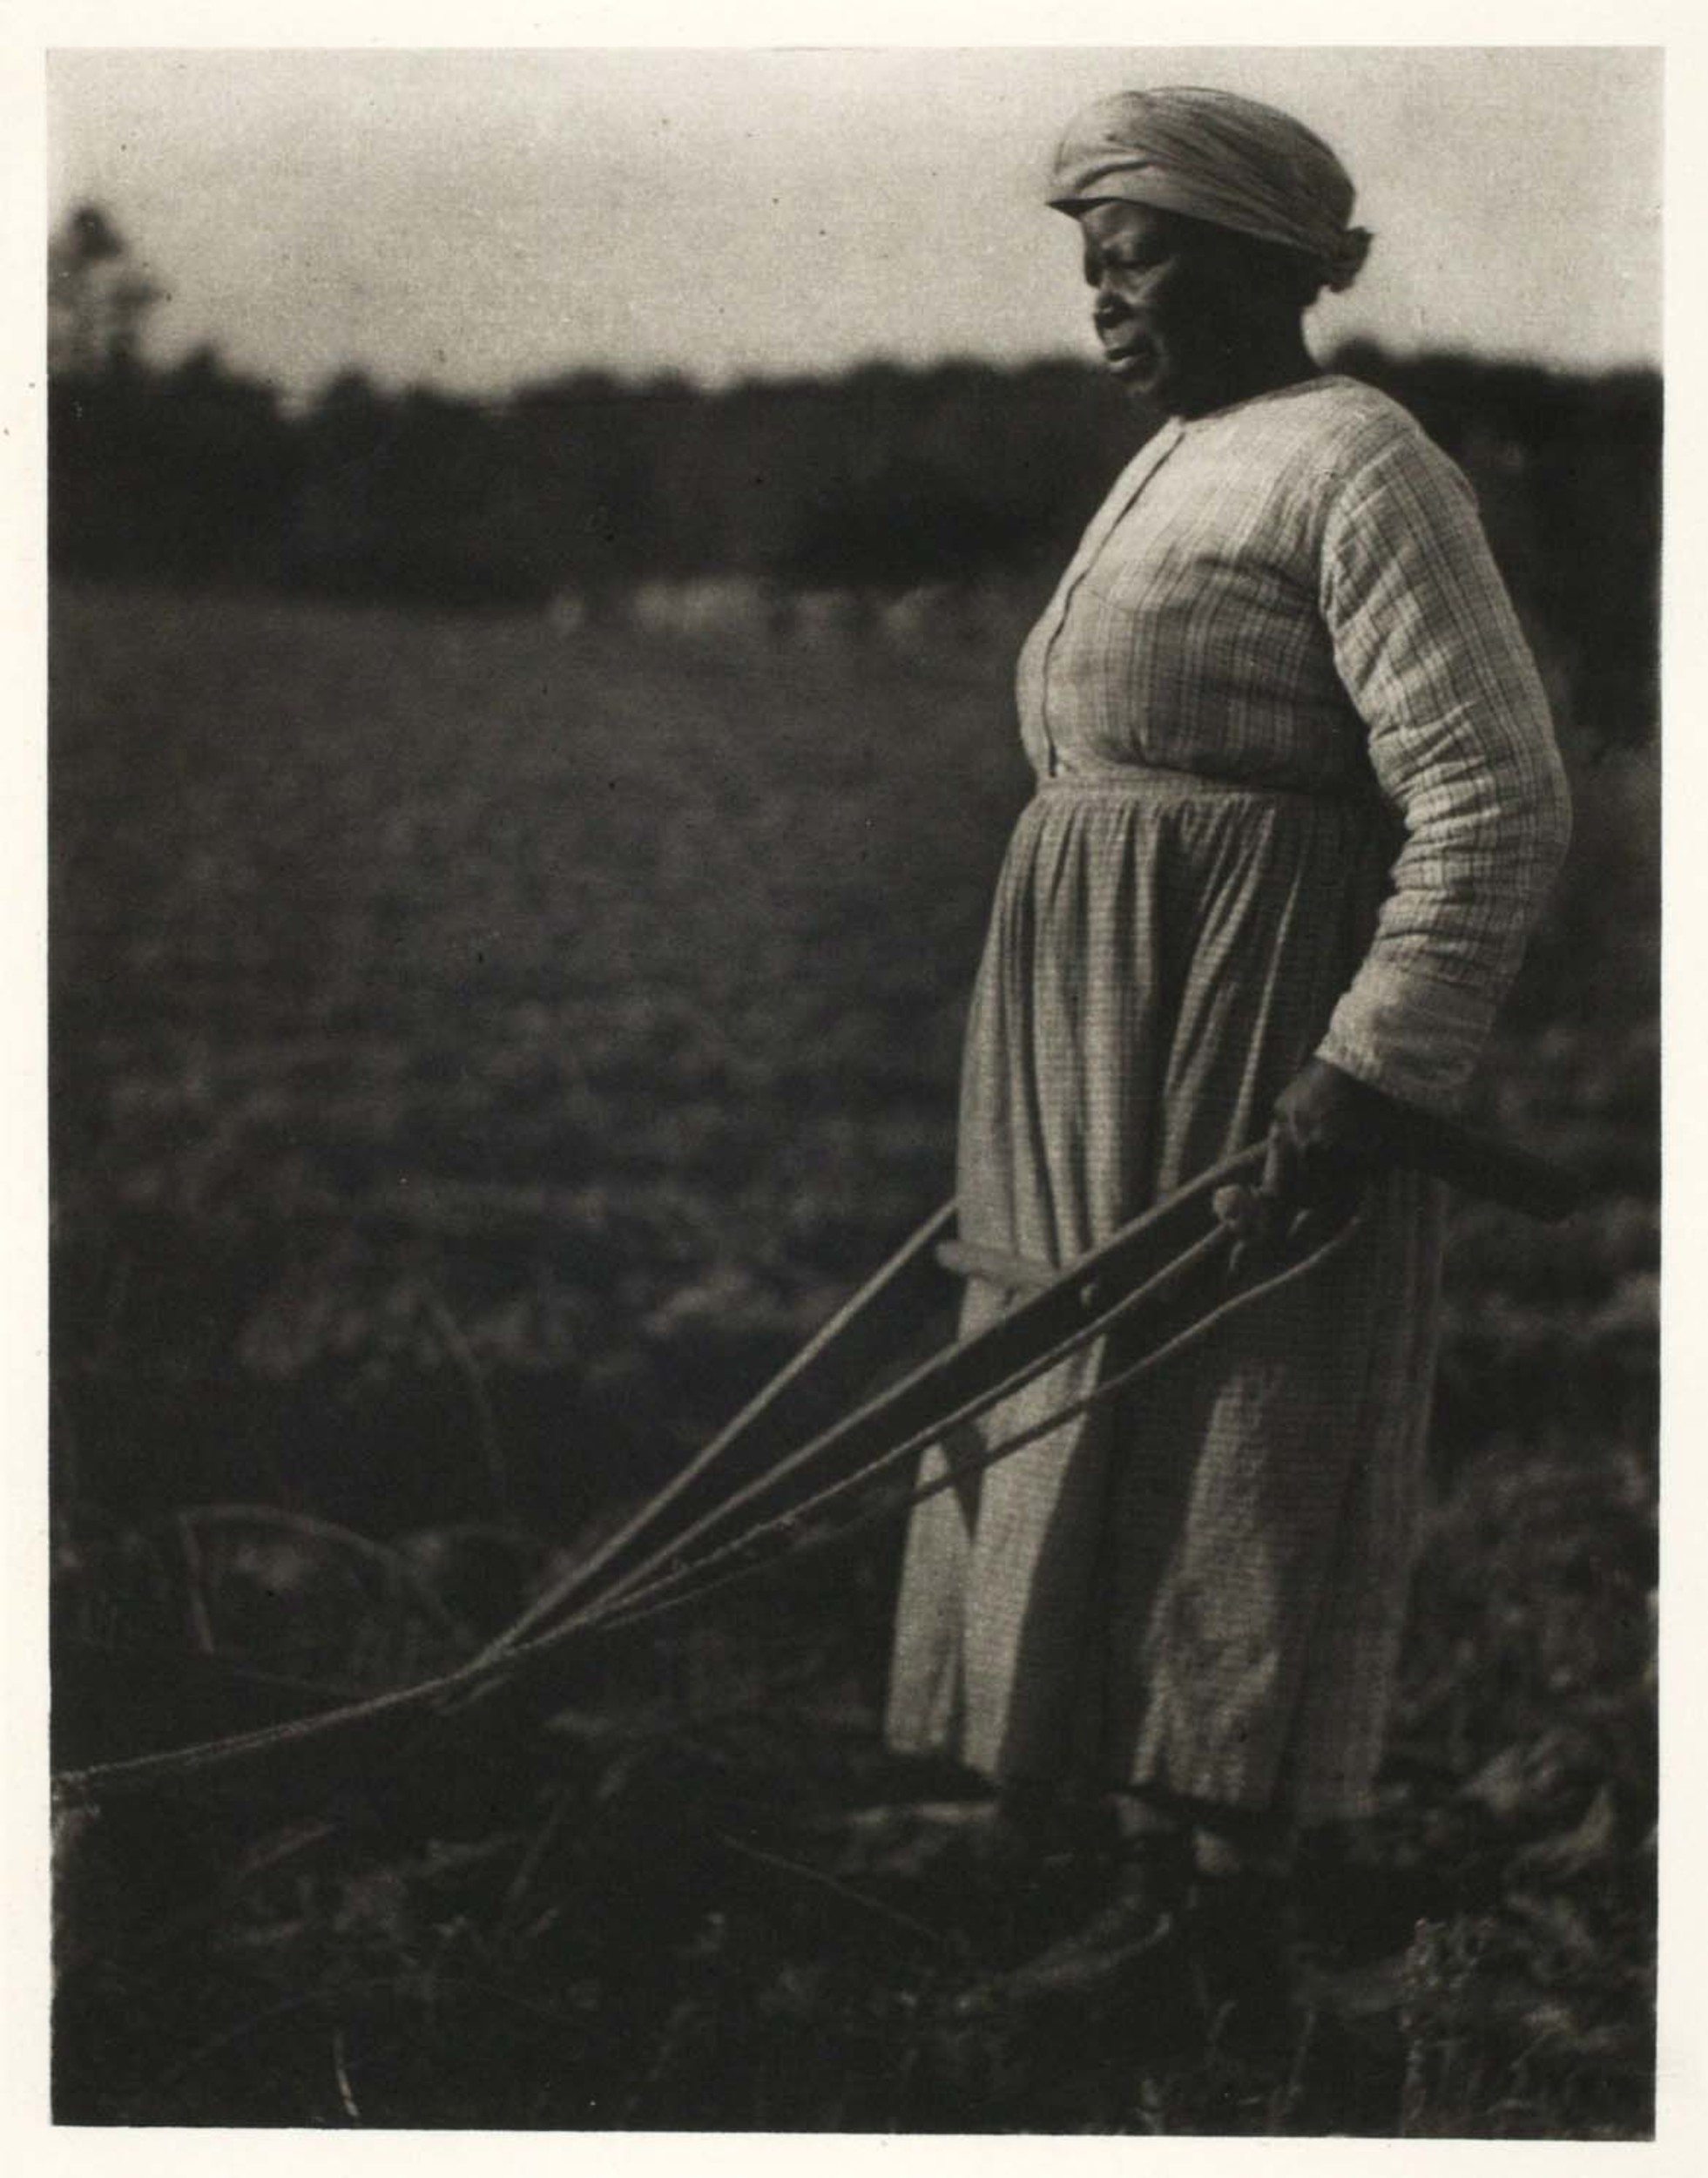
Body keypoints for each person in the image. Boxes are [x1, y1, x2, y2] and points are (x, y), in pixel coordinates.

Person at [883, 86, 1571, 2006]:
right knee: (1063, 1383)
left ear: (1269, 265)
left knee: (1234, 1417)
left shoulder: (1363, 465)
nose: (1102, 297)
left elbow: (1495, 797)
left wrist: (1370, 1066)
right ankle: (1060, 1819)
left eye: (1140, 258)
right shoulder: (1183, 456)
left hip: (1242, 1020)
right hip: (1093, 1021)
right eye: (1089, 264)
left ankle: (1215, 1899)